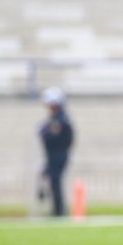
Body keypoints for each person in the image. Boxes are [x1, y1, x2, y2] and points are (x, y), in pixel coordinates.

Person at [38, 86, 74, 217]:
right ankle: (56, 208)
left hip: (58, 154)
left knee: (55, 181)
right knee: (50, 181)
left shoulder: (61, 119)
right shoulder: (56, 119)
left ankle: (59, 210)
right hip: (53, 154)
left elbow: (52, 136)